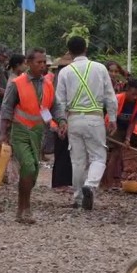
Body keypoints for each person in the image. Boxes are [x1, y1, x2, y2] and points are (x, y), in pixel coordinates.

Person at [0, 48, 67, 224]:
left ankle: (22, 207)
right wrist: (3, 133)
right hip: (20, 131)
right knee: (28, 166)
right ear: (29, 63)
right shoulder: (17, 83)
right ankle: (25, 208)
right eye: (39, 62)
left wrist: (61, 121)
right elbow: (6, 108)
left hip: (38, 132)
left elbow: (55, 105)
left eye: (44, 62)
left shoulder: (48, 84)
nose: (43, 65)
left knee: (34, 170)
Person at [56, 36, 117, 210]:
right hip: (95, 118)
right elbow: (110, 96)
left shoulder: (65, 72)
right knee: (98, 157)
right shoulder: (100, 68)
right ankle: (90, 185)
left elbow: (59, 101)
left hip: (73, 119)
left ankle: (78, 198)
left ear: (69, 52)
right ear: (86, 48)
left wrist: (61, 121)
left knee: (77, 160)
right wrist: (112, 118)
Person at [102, 78, 137, 190]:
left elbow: (133, 123)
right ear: (127, 90)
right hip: (113, 126)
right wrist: (120, 138)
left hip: (127, 127)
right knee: (115, 152)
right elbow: (111, 120)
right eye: (133, 94)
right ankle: (108, 184)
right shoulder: (117, 99)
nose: (135, 97)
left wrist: (128, 139)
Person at [50, 53, 74, 191]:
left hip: (63, 119)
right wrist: (56, 123)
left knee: (65, 152)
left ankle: (63, 182)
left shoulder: (60, 79)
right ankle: (60, 183)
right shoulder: (56, 81)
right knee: (62, 152)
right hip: (59, 120)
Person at [4, 53, 26, 186]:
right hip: (13, 120)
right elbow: (8, 104)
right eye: (24, 63)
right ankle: (12, 176)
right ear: (18, 65)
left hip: (16, 119)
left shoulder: (17, 79)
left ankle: (10, 175)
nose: (26, 66)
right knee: (13, 150)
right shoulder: (14, 82)